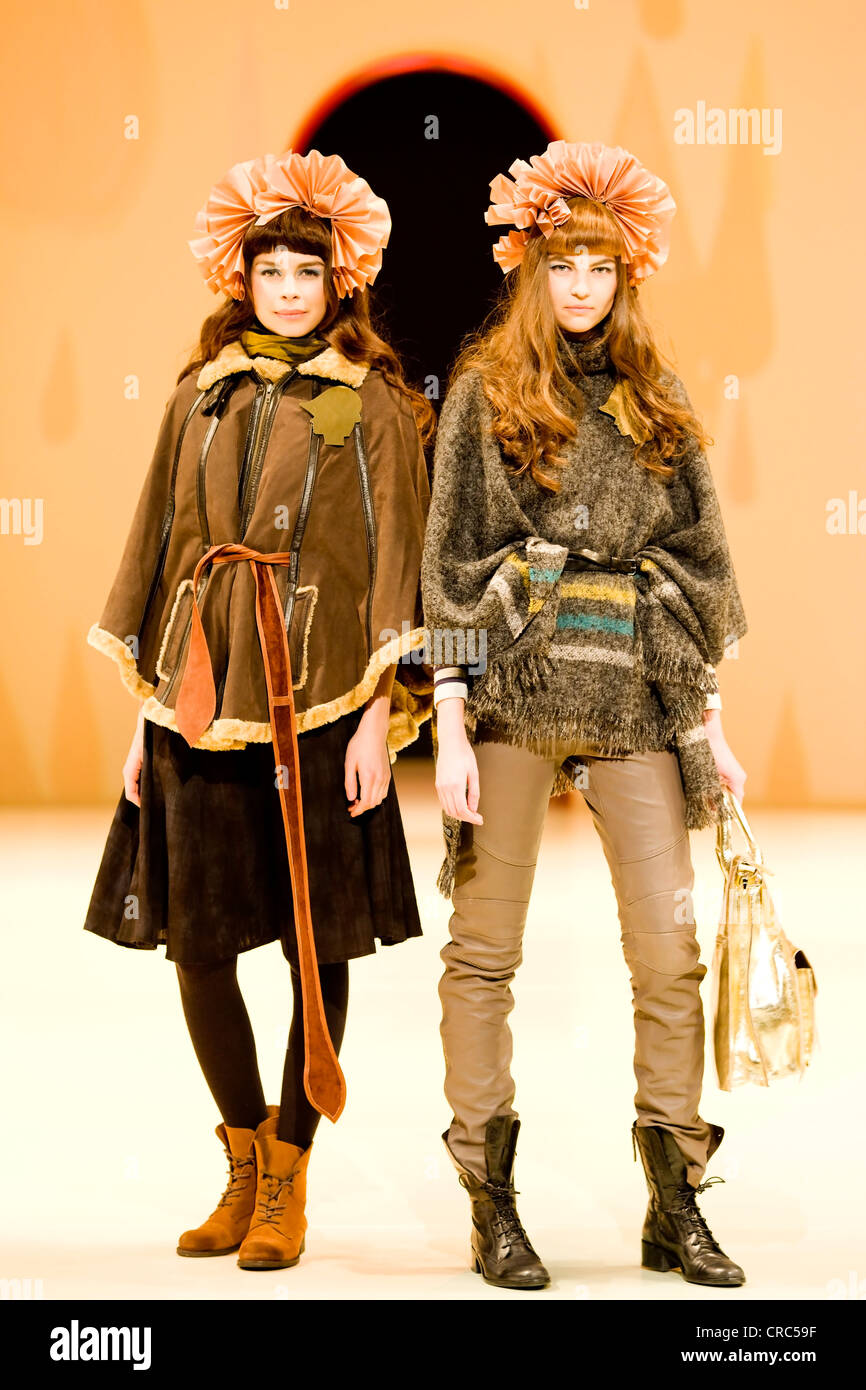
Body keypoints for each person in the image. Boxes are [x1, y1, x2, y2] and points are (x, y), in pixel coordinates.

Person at [83, 148, 434, 1271]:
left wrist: (382, 710)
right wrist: (148, 716)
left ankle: (290, 1173)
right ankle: (240, 1161)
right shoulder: (201, 394)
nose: (288, 288)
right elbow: (164, 543)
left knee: (313, 940)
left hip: (321, 696)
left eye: (306, 271)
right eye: (269, 270)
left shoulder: (372, 400)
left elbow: (400, 561)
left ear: (339, 282)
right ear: (241, 279)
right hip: (199, 693)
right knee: (198, 942)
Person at [421, 140, 749, 1291]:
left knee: (668, 952)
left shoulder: (657, 402)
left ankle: (675, 1200)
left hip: (633, 701)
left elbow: (699, 568)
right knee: (482, 952)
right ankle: (490, 1198)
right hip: (511, 693)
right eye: (560, 262)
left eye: (598, 264)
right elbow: (450, 562)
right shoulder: (481, 393)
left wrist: (706, 719)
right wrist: (449, 722)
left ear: (624, 274)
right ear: (531, 269)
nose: (578, 285)